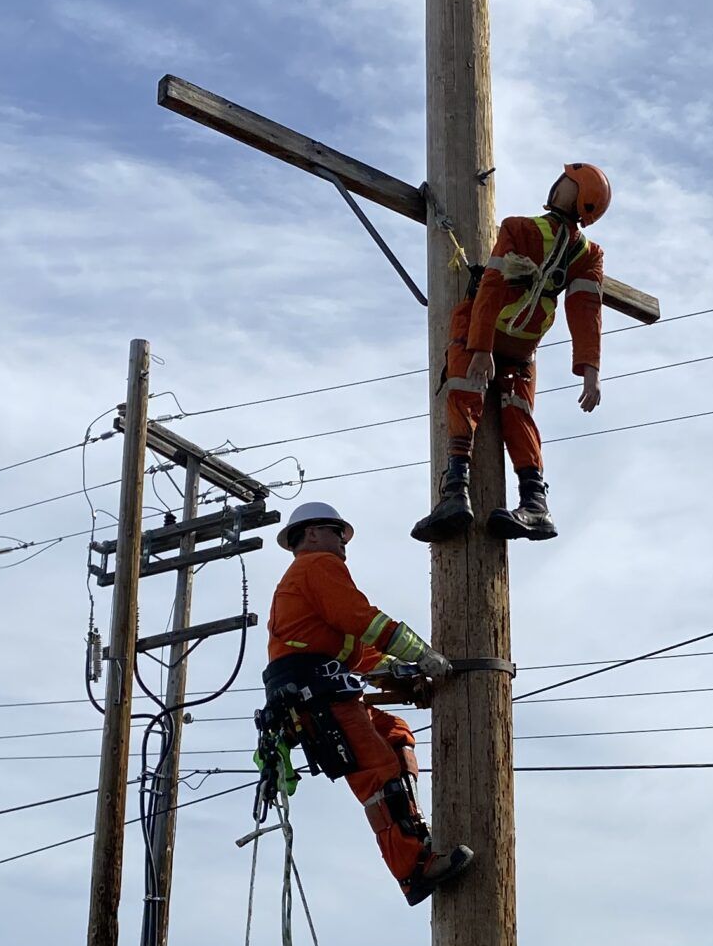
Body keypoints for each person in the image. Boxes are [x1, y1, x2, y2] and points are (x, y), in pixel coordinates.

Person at [262, 500, 474, 905]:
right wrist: (421, 654)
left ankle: (414, 829)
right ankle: (414, 868)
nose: (344, 542)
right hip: (318, 694)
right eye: (337, 532)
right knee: (378, 772)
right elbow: (366, 621)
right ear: (311, 534)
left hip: (326, 691)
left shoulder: (310, 585)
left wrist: (404, 673)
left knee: (396, 734)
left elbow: (357, 651)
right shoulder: (316, 566)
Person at [412, 162, 612, 544]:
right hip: (523, 346)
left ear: (577, 195)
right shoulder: (588, 254)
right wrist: (591, 369)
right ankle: (535, 502)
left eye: (568, 181)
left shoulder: (519, 228)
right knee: (518, 413)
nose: (559, 183)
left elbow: (490, 286)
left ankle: (455, 491)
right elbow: (586, 309)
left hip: (486, 333)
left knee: (464, 389)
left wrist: (481, 348)